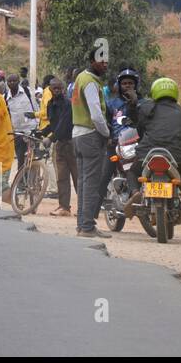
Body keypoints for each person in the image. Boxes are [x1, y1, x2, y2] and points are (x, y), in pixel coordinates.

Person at [126, 76, 181, 243]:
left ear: (155, 92)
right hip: (177, 158)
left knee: (132, 173)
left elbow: (140, 127)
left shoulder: (147, 108)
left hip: (149, 154)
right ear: (174, 92)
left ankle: (135, 192)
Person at [72, 52, 112, 238]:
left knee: (83, 182)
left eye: (106, 61)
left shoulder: (81, 77)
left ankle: (82, 225)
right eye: (101, 60)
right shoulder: (90, 82)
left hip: (78, 135)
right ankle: (87, 227)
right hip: (90, 136)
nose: (105, 64)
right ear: (91, 61)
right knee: (91, 184)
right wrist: (106, 132)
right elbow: (96, 114)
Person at [44, 78, 77, 216]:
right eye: (54, 88)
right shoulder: (50, 104)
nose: (56, 91)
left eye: (59, 88)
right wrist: (41, 132)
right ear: (50, 89)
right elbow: (53, 125)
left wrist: (51, 138)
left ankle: (84, 208)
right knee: (62, 177)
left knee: (78, 177)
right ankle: (64, 207)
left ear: (63, 88)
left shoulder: (68, 104)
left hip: (72, 143)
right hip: (60, 144)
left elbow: (64, 124)